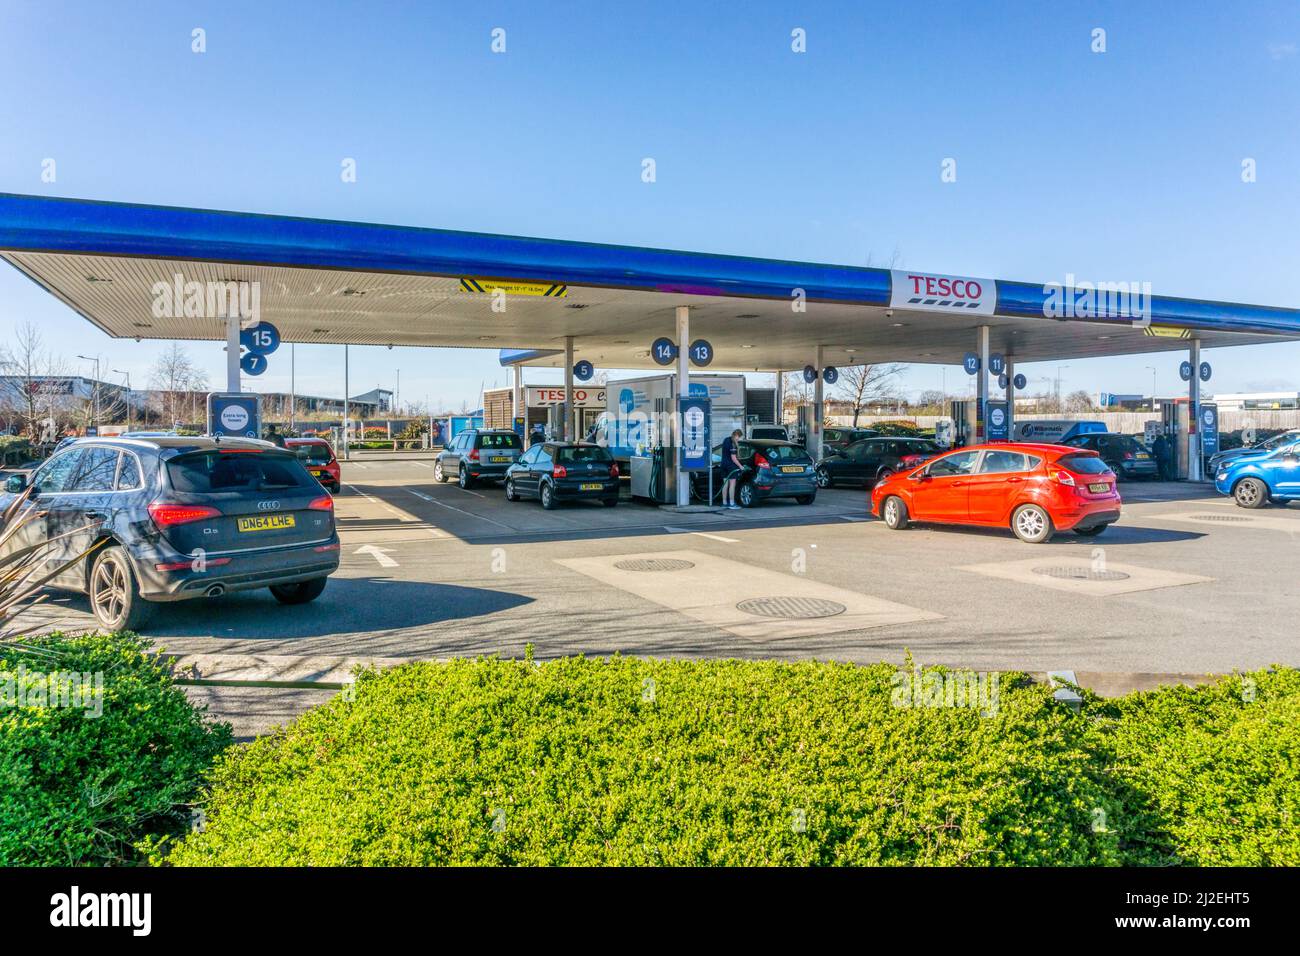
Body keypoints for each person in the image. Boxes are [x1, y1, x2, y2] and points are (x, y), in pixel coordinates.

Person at [720, 428, 744, 509]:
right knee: (732, 485)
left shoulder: (726, 440)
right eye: (739, 437)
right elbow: (733, 458)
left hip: (723, 465)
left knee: (725, 484)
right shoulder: (733, 443)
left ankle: (724, 503)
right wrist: (740, 466)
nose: (739, 439)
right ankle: (732, 503)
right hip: (731, 466)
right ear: (737, 435)